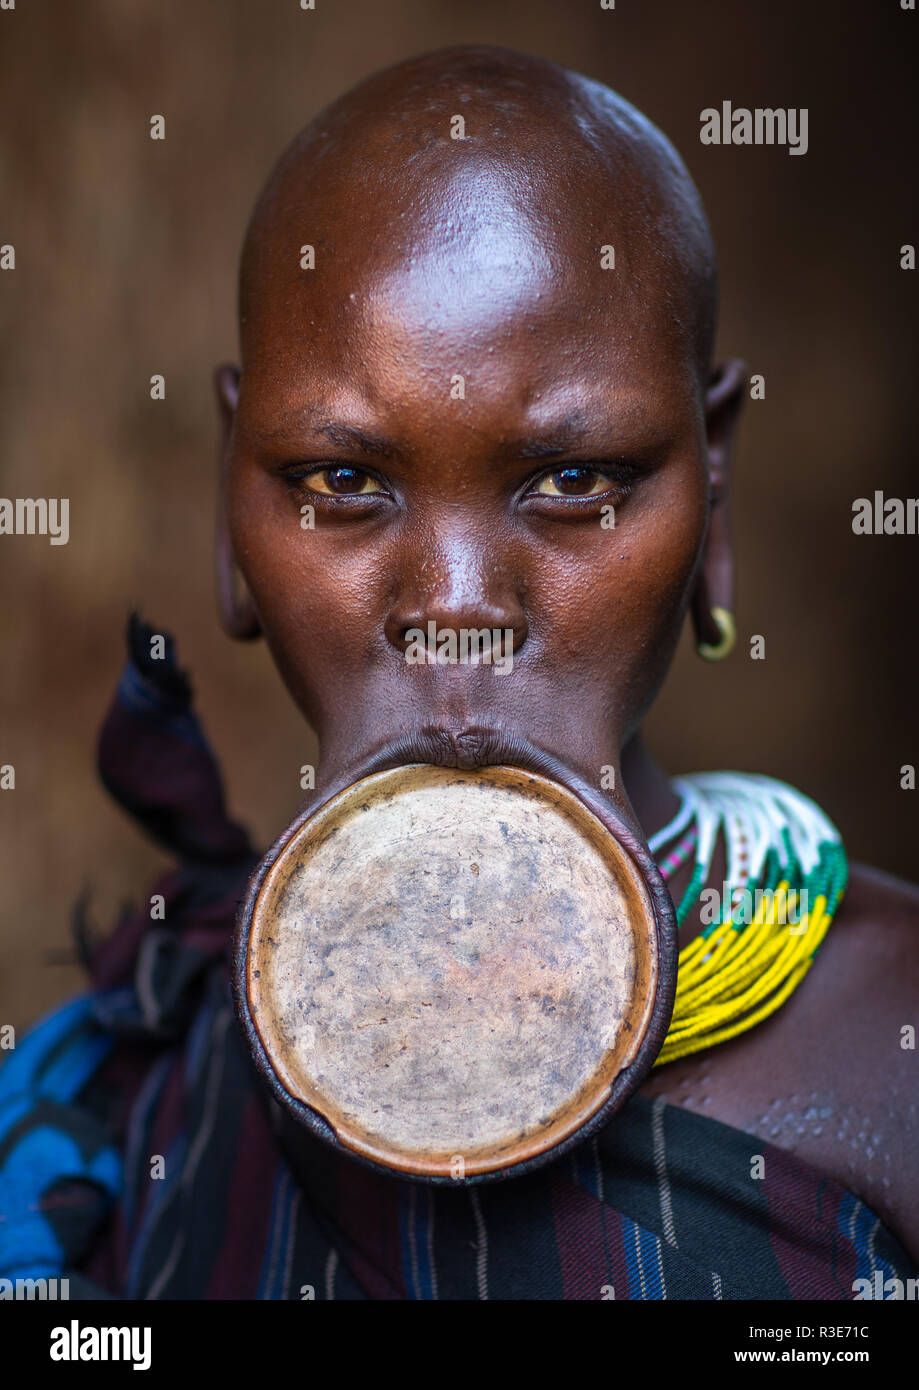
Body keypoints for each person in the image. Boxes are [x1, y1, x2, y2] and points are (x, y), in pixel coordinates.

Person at [1, 45, 916, 1300]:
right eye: (342, 483)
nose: (455, 605)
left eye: (574, 479)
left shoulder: (894, 1052)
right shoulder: (118, 1096)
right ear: (229, 505)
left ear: (715, 489)